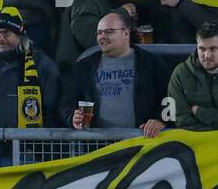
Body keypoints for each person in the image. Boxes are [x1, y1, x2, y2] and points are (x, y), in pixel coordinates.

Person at [64, 9, 170, 137]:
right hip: (96, 144)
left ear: (126, 33)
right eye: (99, 33)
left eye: (109, 32)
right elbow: (66, 102)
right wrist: (72, 117)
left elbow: (171, 97)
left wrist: (161, 120)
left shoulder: (152, 63)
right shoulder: (84, 67)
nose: (102, 37)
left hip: (141, 141)